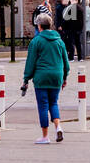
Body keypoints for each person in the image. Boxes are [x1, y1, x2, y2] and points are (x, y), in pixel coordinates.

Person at [22, 14, 70, 144]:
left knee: (43, 106)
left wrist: (26, 79)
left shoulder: (36, 41)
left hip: (41, 77)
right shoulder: (59, 41)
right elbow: (66, 62)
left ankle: (45, 136)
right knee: (53, 103)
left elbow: (30, 62)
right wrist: (64, 77)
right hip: (56, 76)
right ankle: (58, 126)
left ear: (39, 26)